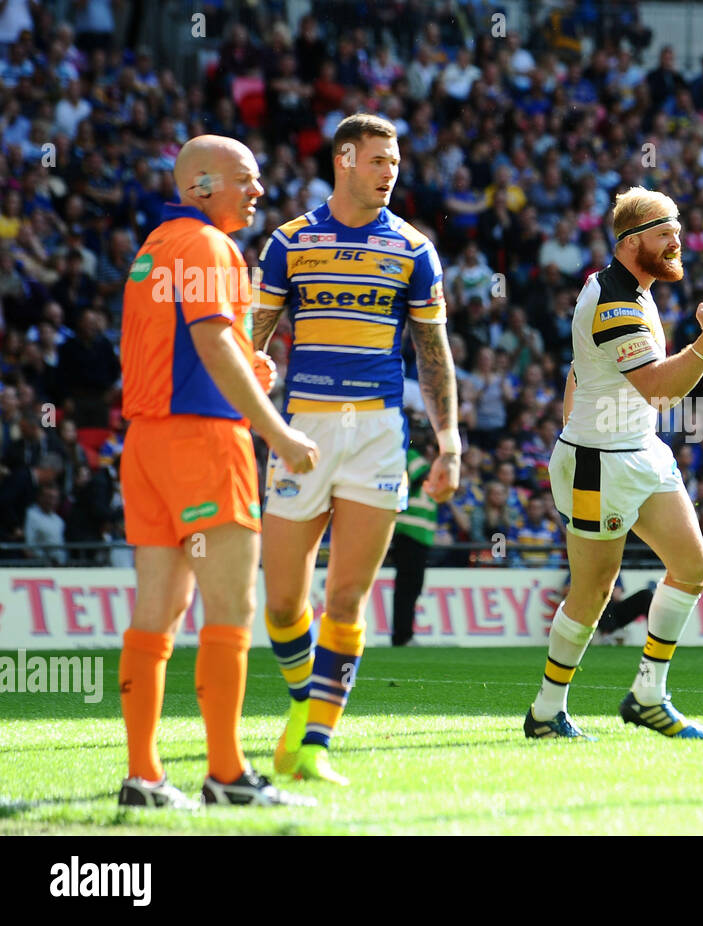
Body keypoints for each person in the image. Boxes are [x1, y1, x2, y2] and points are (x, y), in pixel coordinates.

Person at [252, 114, 460, 785]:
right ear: (343, 159)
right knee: (283, 602)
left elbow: (433, 351)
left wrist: (450, 440)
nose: (389, 172)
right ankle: (302, 706)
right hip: (301, 428)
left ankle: (315, 743)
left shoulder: (414, 250)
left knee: (345, 600)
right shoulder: (289, 243)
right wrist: (246, 388)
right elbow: (251, 337)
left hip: (376, 433)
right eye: (377, 161)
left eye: (394, 162)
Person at [118, 135, 319, 808]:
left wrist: (247, 366)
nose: (259, 190)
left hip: (145, 445)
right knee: (231, 609)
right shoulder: (210, 247)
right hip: (202, 443)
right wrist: (278, 430)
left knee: (157, 612)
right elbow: (208, 339)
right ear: (201, 186)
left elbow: (195, 342)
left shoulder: (154, 248)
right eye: (246, 178)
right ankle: (228, 776)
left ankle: (143, 777)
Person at [525, 186, 703, 740]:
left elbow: (577, 372)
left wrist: (579, 423)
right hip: (600, 464)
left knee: (692, 565)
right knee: (592, 593)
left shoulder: (633, 292)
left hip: (639, 452)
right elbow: (661, 391)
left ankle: (648, 696)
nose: (676, 243)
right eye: (666, 233)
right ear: (633, 239)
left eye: (678, 233)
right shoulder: (615, 298)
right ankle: (546, 711)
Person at [388, 430, 439, 646]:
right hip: (410, 532)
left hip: (419, 534)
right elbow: (419, 477)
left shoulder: (416, 459)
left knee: (411, 586)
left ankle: (404, 633)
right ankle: (402, 635)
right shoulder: (411, 456)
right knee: (408, 586)